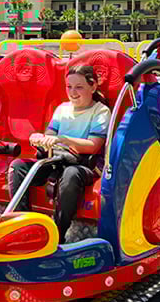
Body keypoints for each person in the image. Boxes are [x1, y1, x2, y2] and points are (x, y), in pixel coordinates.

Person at [6, 64, 110, 242]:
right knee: (18, 167)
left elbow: (93, 146)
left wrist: (64, 139)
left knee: (70, 174)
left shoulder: (100, 111)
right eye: (69, 87)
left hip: (83, 165)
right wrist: (39, 139)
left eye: (79, 87)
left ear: (93, 87)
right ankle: (23, 224)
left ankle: (57, 232)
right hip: (58, 158)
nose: (73, 92)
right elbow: (50, 136)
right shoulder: (63, 108)